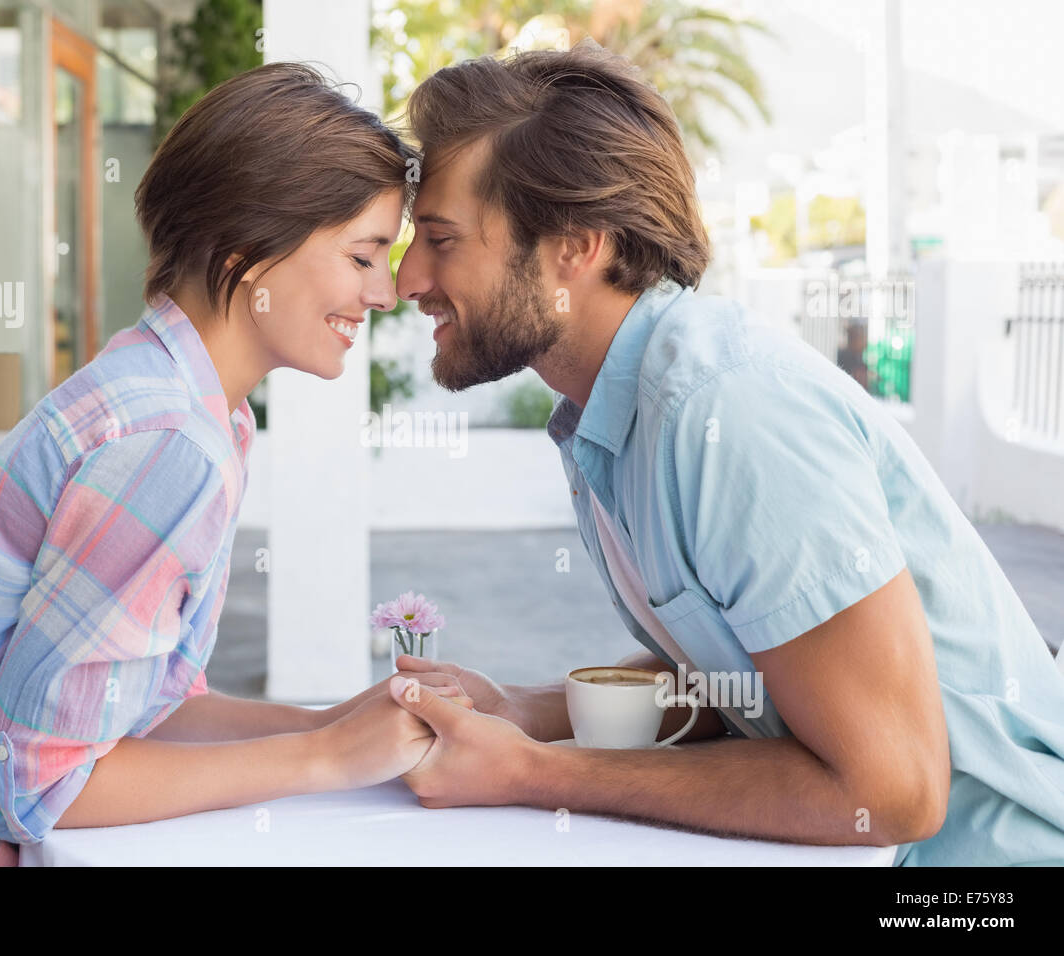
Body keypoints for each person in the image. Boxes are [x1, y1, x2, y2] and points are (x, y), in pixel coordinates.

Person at [385, 40, 1064, 865]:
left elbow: (892, 792)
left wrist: (535, 772)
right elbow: (751, 668)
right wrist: (530, 712)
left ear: (576, 245)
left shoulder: (726, 412)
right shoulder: (614, 410)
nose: (405, 277)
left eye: (442, 238)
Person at [0, 62, 466, 867]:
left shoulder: (188, 404)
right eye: (362, 256)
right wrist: (325, 761)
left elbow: (143, 710)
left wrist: (331, 721)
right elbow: (34, 787)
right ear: (249, 254)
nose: (384, 293)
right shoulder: (169, 440)